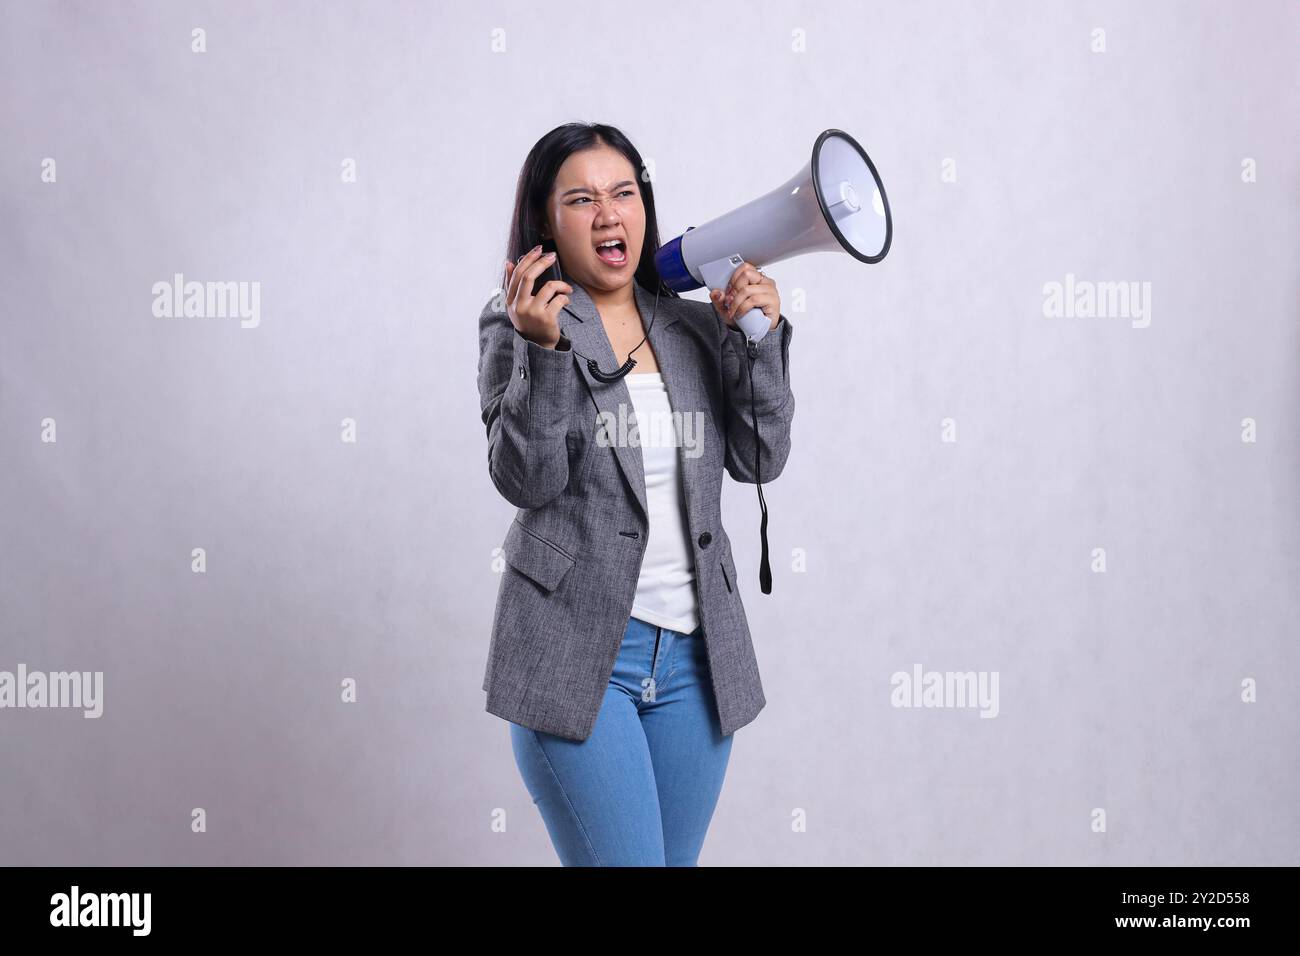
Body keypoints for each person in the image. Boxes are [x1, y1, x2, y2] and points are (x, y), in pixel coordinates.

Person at [476, 121, 796, 866]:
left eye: (624, 193)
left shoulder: (691, 324)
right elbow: (527, 478)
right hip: (577, 656)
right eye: (581, 199)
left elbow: (760, 458)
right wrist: (545, 352)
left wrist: (756, 338)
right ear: (545, 226)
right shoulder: (516, 323)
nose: (608, 213)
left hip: (696, 663)